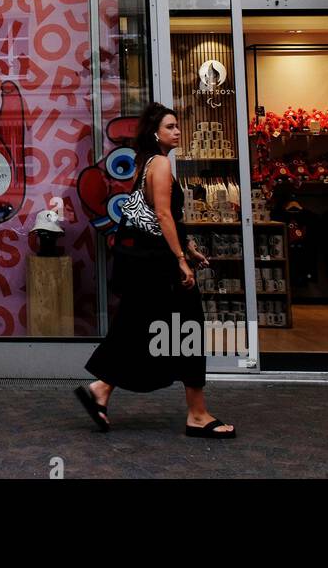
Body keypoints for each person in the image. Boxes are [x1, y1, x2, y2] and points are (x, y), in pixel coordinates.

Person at [74, 102, 235, 438]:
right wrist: (180, 259)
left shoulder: (146, 164)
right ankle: (197, 414)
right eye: (171, 127)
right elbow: (162, 215)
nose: (177, 132)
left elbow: (155, 217)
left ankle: (102, 389)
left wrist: (187, 248)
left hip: (148, 263)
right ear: (154, 132)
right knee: (185, 328)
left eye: (177, 126)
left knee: (142, 326)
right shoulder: (159, 164)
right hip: (158, 266)